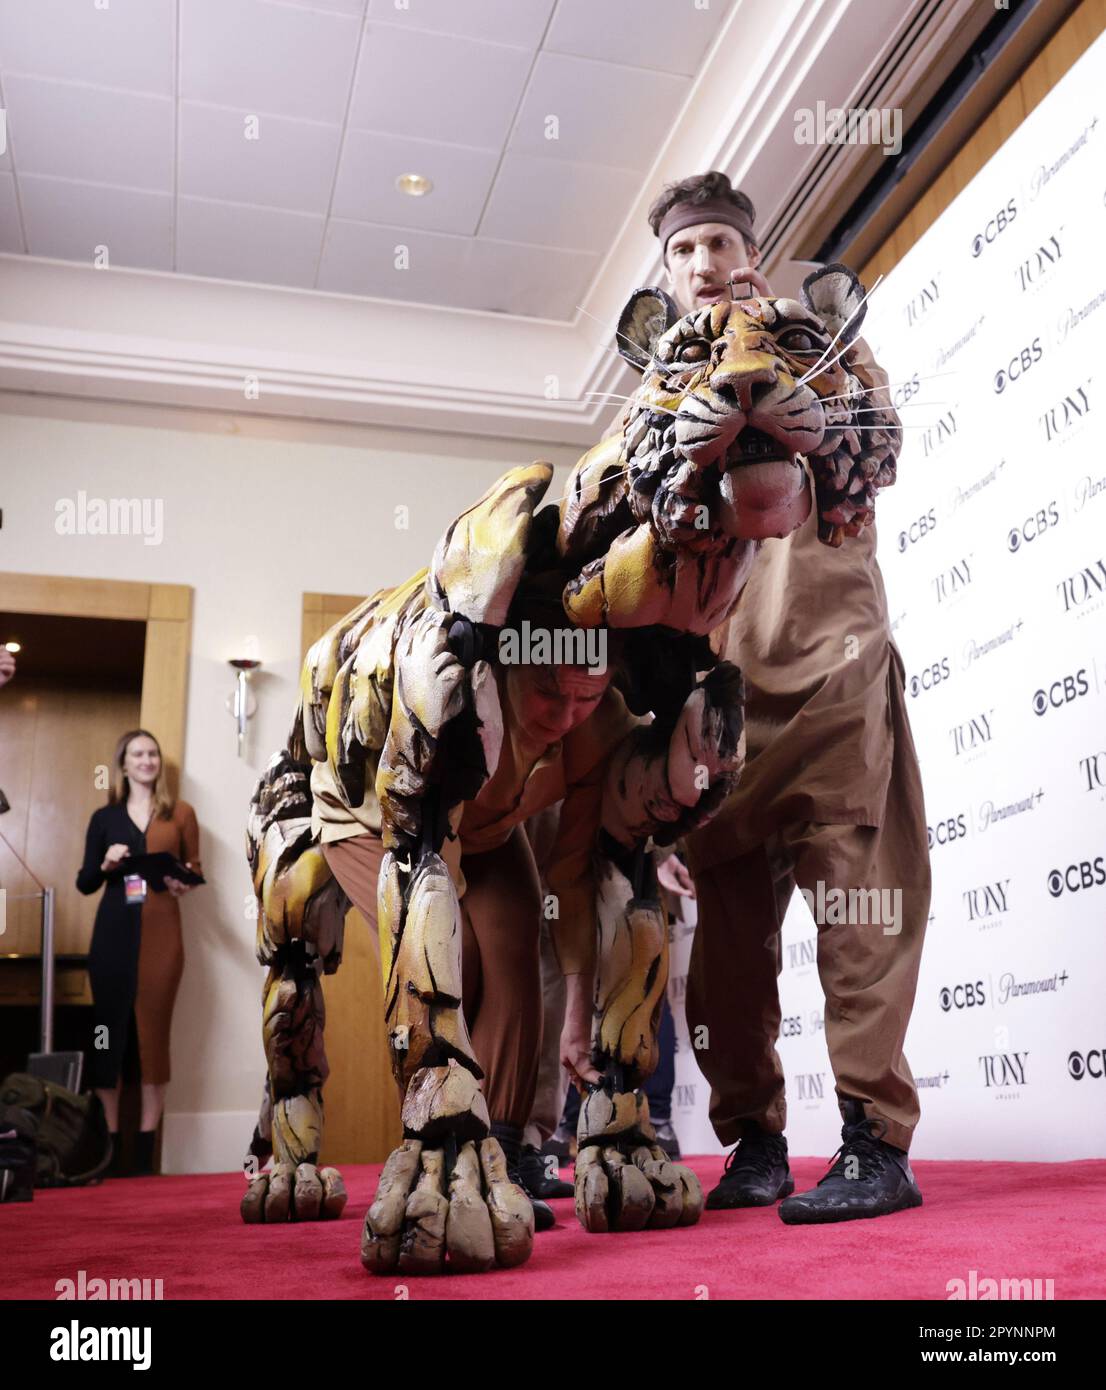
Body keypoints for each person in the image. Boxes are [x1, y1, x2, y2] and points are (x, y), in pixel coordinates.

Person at [648, 170, 930, 1222]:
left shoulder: (817, 339)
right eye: (682, 251)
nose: (702, 263)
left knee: (859, 915)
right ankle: (753, 1145)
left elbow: (879, 452)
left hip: (829, 668)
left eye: (717, 242)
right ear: (666, 273)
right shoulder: (659, 387)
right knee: (724, 958)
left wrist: (781, 376)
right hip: (718, 710)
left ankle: (872, 1143)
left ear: (748, 249)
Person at [313, 594, 641, 1230]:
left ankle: (505, 1161)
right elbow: (424, 845)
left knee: (517, 964)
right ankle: (444, 1156)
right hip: (376, 820)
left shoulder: (599, 726)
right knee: (451, 968)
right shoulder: (452, 701)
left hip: (487, 834)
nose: (568, 716)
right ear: (510, 667)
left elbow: (571, 876)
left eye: (588, 697)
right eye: (551, 693)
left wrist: (580, 1015)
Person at [76, 729, 202, 1176]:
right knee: (105, 1031)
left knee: (153, 1034)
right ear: (123, 764)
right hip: (111, 935)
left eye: (152, 753)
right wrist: (107, 865)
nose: (146, 760)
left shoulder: (180, 813)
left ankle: (146, 1151)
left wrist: (179, 879)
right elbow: (85, 881)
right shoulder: (104, 817)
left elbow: (194, 872)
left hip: (163, 935)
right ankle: (109, 1146)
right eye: (137, 754)